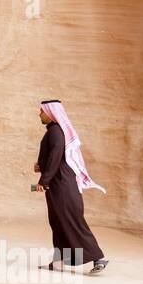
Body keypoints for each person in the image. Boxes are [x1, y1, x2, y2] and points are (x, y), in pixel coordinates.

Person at [34, 99, 109, 274]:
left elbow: (54, 158)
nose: (40, 114)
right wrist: (41, 166)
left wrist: (43, 181)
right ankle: (59, 262)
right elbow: (56, 159)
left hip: (62, 187)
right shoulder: (55, 131)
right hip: (58, 186)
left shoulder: (56, 132)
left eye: (41, 111)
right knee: (58, 222)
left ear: (50, 113)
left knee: (72, 222)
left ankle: (99, 258)